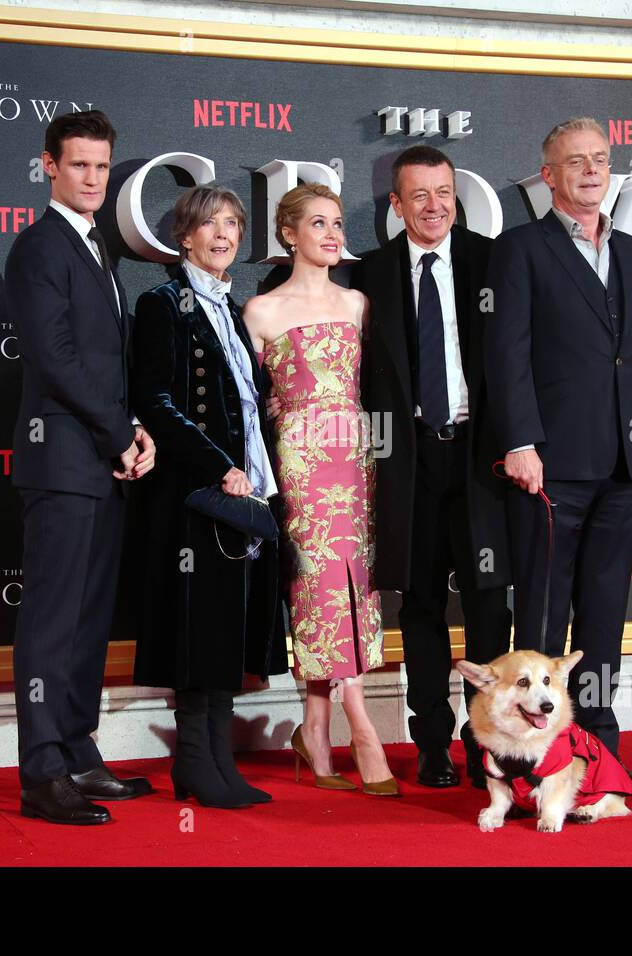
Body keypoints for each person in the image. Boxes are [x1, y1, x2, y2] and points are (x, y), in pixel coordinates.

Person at [484, 117, 632, 794]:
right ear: (549, 175)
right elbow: (505, 355)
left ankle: (597, 758)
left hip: (624, 464)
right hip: (550, 465)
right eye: (576, 162)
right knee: (541, 622)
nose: (593, 171)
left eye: (601, 160)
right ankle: (531, 767)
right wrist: (519, 441)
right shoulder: (520, 250)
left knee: (603, 616)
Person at [5, 109, 156, 825]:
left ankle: (78, 751)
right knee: (51, 620)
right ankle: (41, 774)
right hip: (63, 460)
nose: (92, 178)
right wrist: (119, 431)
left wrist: (133, 433)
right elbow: (56, 358)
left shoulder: (98, 249)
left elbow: (102, 363)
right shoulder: (39, 248)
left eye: (101, 166)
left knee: (89, 618)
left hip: (100, 459)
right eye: (79, 165)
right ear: (49, 167)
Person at [351, 145, 512, 790]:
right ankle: (431, 744)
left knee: (487, 607)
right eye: (418, 195)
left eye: (443, 192)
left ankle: (489, 745)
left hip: (480, 459)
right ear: (396, 204)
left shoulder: (492, 261)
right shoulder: (369, 274)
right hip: (406, 460)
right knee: (418, 608)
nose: (434, 205)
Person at [125, 184, 288, 809]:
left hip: (246, 492)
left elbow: (244, 405)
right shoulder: (163, 303)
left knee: (227, 627)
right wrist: (221, 466)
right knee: (199, 627)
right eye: (210, 224)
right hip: (198, 495)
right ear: (184, 237)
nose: (223, 235)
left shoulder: (233, 305)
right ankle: (196, 759)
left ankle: (214, 760)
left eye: (234, 224)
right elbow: (157, 401)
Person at [243, 183, 398, 796]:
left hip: (356, 456)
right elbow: (249, 406)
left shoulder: (359, 303)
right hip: (300, 461)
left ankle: (313, 727)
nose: (333, 235)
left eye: (338, 224)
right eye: (318, 224)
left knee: (353, 584)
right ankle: (362, 726)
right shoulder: (259, 312)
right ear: (289, 234)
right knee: (316, 583)